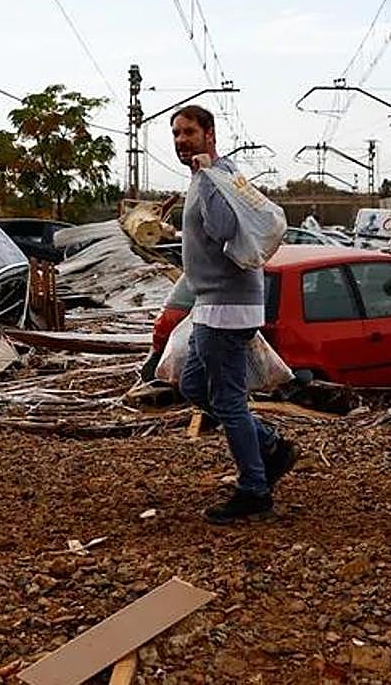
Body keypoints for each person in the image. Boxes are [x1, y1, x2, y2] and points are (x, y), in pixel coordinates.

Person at [170, 105, 297, 523]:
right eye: (176, 134)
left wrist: (206, 177)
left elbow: (224, 229)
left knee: (227, 399)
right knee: (193, 385)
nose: (181, 140)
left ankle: (254, 489)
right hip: (211, 304)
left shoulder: (215, 176)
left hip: (228, 309)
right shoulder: (206, 177)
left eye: (188, 132)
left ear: (209, 134)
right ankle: (269, 447)